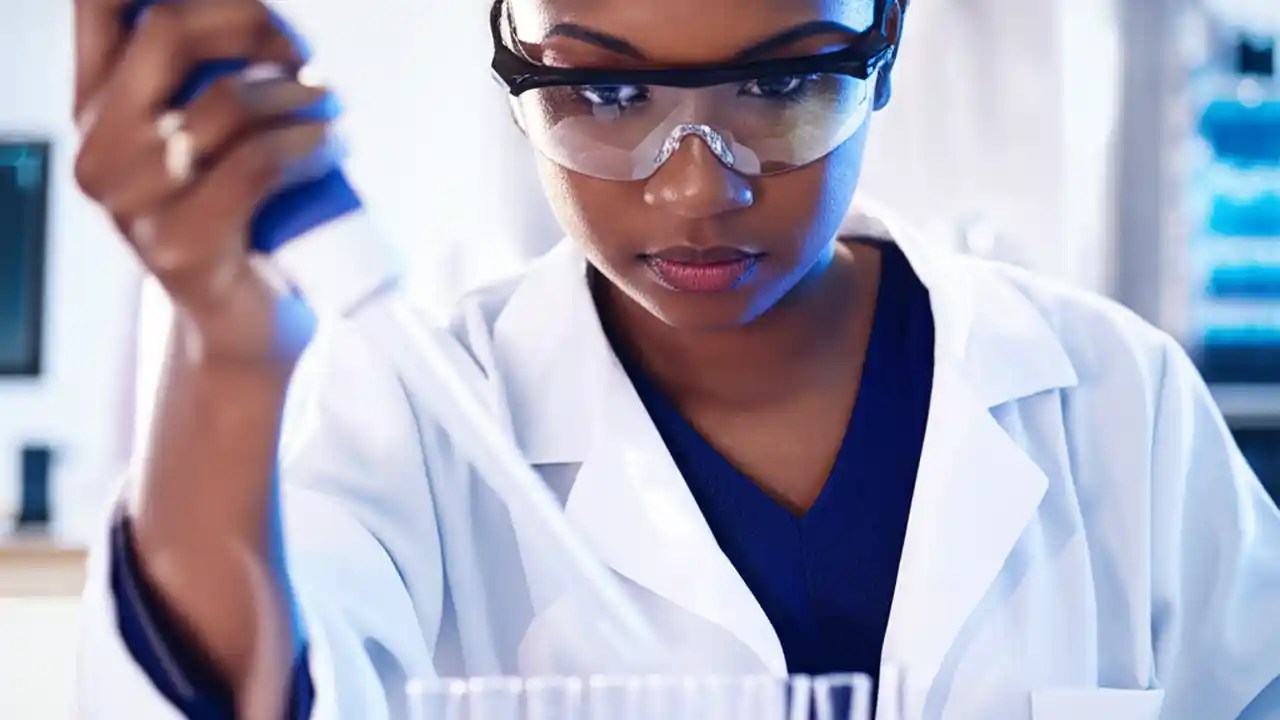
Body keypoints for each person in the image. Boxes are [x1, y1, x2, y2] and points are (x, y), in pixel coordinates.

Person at [73, 0, 1280, 718]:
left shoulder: (1116, 397)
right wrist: (225, 348)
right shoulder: (403, 411)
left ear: (887, 50)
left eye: (782, 81)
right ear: (513, 73)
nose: (697, 186)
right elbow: (226, 690)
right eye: (602, 89)